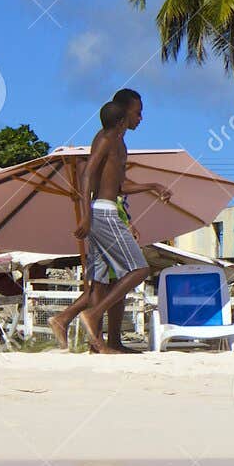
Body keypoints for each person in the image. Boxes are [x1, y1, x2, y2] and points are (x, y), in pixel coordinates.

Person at [50, 92, 150, 353]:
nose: (141, 118)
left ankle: (71, 325)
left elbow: (119, 185)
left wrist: (152, 186)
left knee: (100, 285)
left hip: (105, 212)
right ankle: (94, 315)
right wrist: (86, 215)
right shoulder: (106, 138)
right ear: (123, 113)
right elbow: (87, 175)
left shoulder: (120, 143)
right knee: (139, 270)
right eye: (138, 112)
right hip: (103, 213)